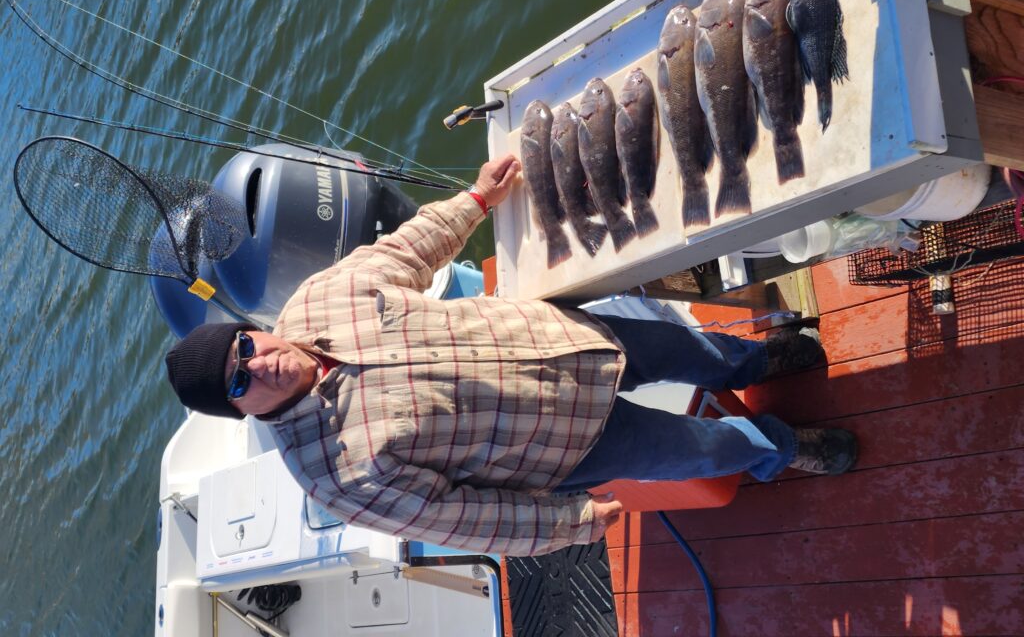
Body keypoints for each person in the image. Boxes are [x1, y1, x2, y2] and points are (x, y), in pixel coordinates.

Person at [164, 154, 856, 557]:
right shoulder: (332, 480)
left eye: (243, 348)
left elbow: (404, 253)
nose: (256, 364)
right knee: (698, 451)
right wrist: (571, 525)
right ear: (240, 410)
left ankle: (758, 363)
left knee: (689, 348)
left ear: (249, 332)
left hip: (566, 339)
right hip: (568, 445)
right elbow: (463, 518)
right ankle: (780, 447)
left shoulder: (316, 300)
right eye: (239, 382)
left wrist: (474, 199)